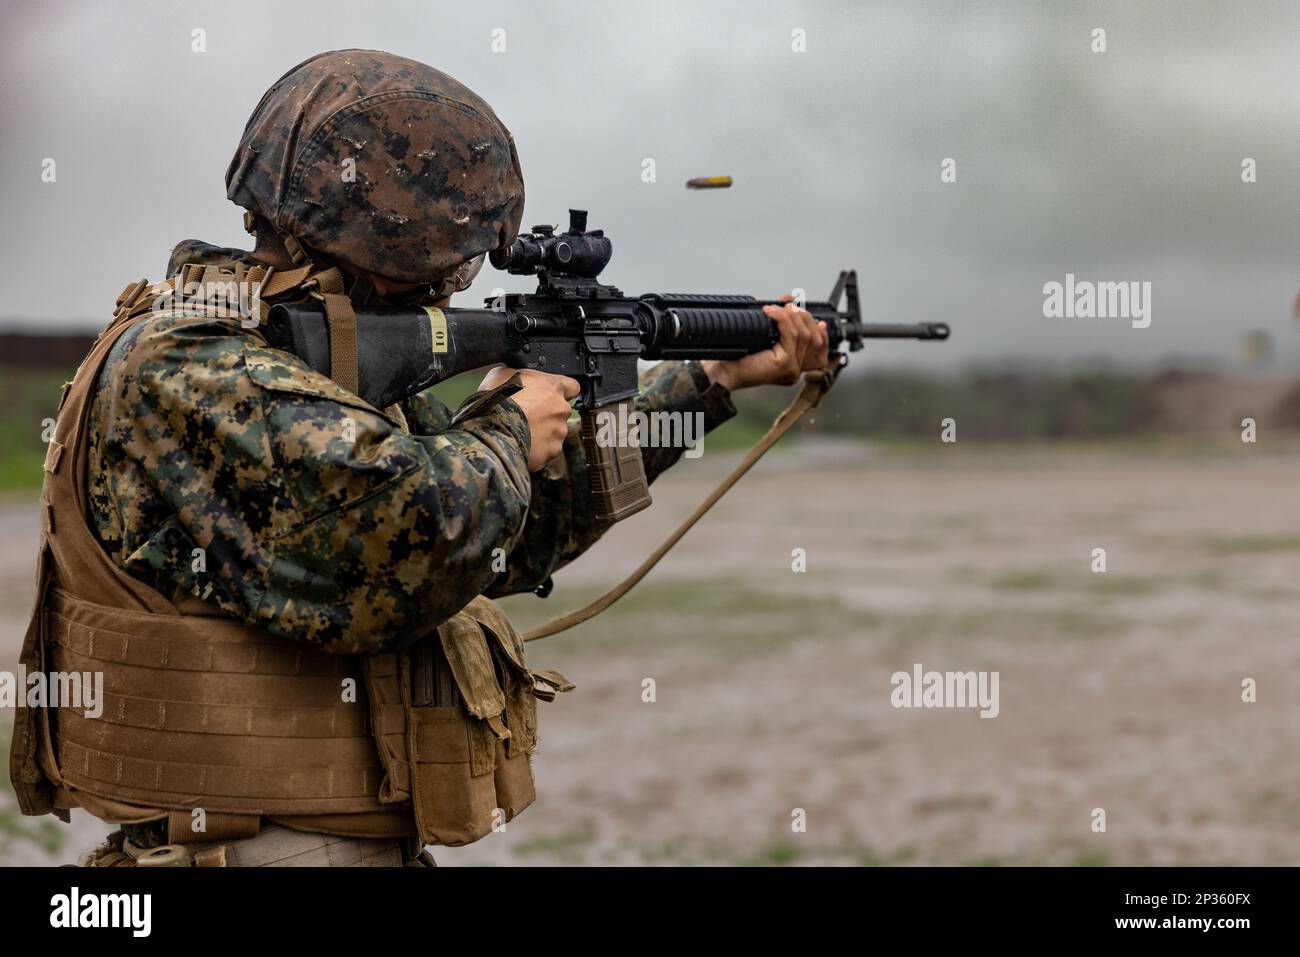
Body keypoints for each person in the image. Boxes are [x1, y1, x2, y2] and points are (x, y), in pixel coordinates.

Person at [9, 49, 829, 867]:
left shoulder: (299, 365)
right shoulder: (191, 359)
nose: (450, 285)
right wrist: (507, 426)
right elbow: (414, 534)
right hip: (249, 846)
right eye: (449, 259)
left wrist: (711, 379)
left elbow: (505, 543)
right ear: (395, 236)